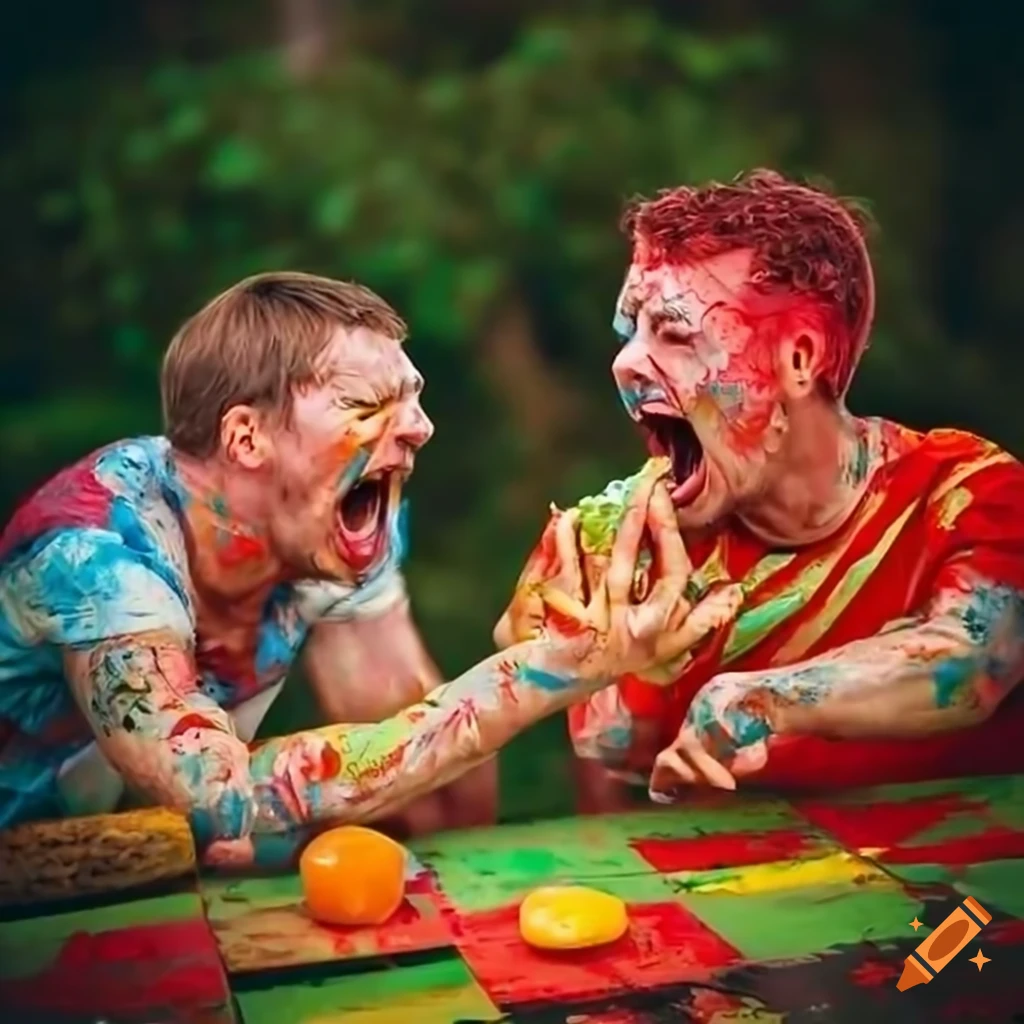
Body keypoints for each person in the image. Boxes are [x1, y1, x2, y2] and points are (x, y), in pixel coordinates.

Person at [0, 272, 691, 867]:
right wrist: (549, 670)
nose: (420, 427)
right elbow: (219, 800)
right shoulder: (99, 552)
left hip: (154, 883)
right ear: (246, 437)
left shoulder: (329, 522)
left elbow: (429, 783)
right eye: (368, 404)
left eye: (413, 398)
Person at [495, 169, 1024, 812]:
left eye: (674, 332)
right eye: (629, 331)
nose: (627, 363)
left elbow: (970, 666)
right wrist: (554, 664)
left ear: (799, 360)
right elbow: (613, 768)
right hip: (735, 895)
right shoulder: (634, 549)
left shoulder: (967, 492)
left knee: (957, 922)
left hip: (962, 891)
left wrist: (762, 699)